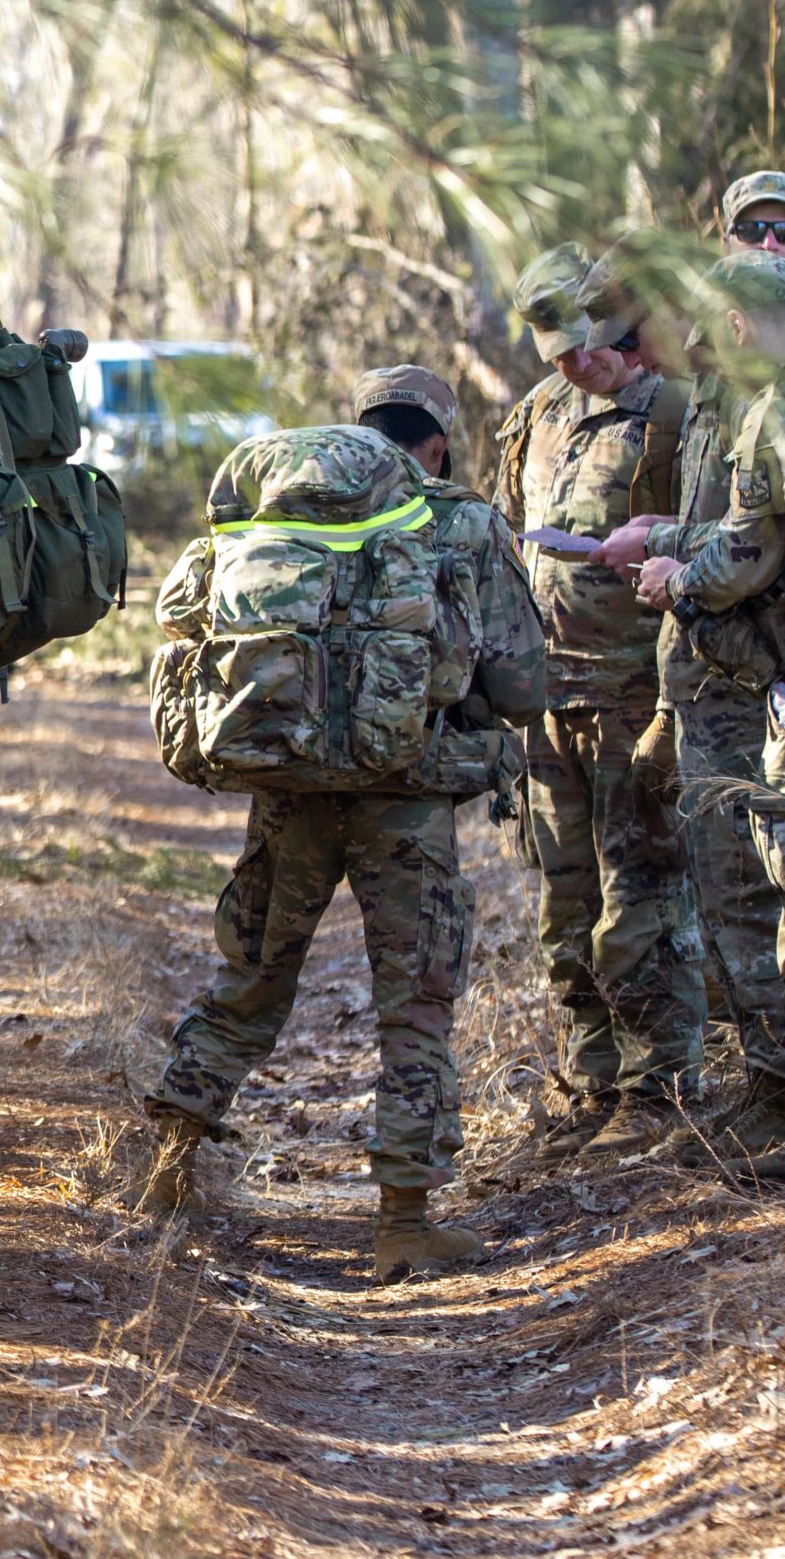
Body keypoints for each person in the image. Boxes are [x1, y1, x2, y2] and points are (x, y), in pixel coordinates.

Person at [141, 375, 545, 1281]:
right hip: (410, 796)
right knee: (415, 1002)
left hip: (288, 790)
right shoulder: (462, 521)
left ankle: (166, 1170)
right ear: (436, 444)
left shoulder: (278, 511)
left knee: (251, 975)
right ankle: (404, 1221)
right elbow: (522, 689)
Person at [489, 243, 706, 1162]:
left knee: (645, 900)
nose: (578, 370)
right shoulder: (536, 416)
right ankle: (595, 1078)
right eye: (559, 357)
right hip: (547, 703)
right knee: (564, 904)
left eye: (587, 350)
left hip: (635, 699)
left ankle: (661, 1089)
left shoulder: (674, 415)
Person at [621, 250, 785, 1179]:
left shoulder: (769, 413)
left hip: (756, 680)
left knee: (753, 886)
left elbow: (746, 555)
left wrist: (677, 579)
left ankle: (775, 1094)